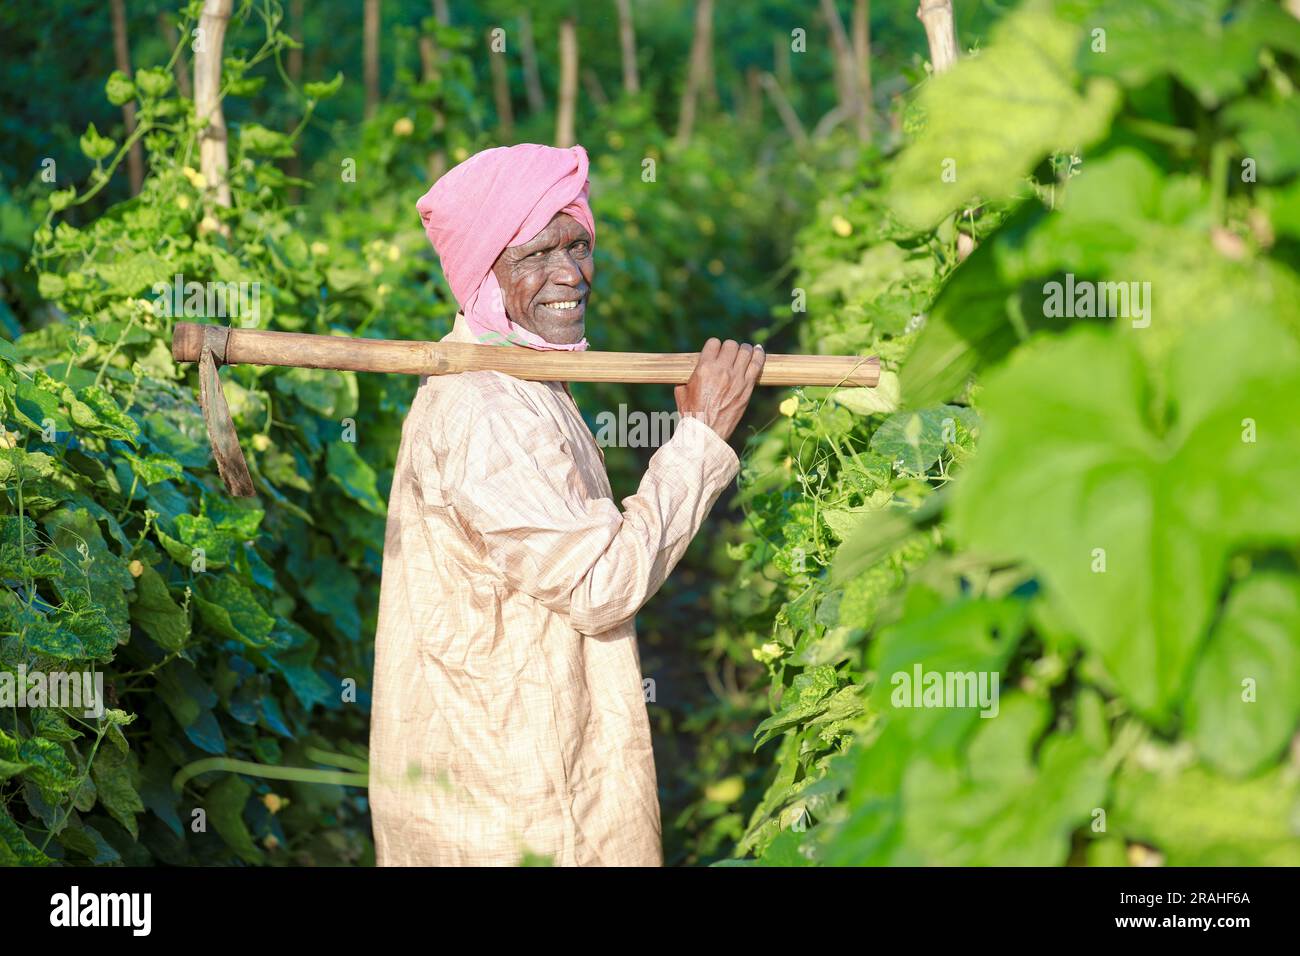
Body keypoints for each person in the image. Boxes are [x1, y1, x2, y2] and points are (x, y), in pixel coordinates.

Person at [368, 143, 764, 866]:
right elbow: (600, 585)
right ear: (483, 272)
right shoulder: (487, 409)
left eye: (579, 245)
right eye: (536, 254)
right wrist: (699, 441)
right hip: (508, 800)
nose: (570, 274)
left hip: (523, 770)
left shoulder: (521, 378)